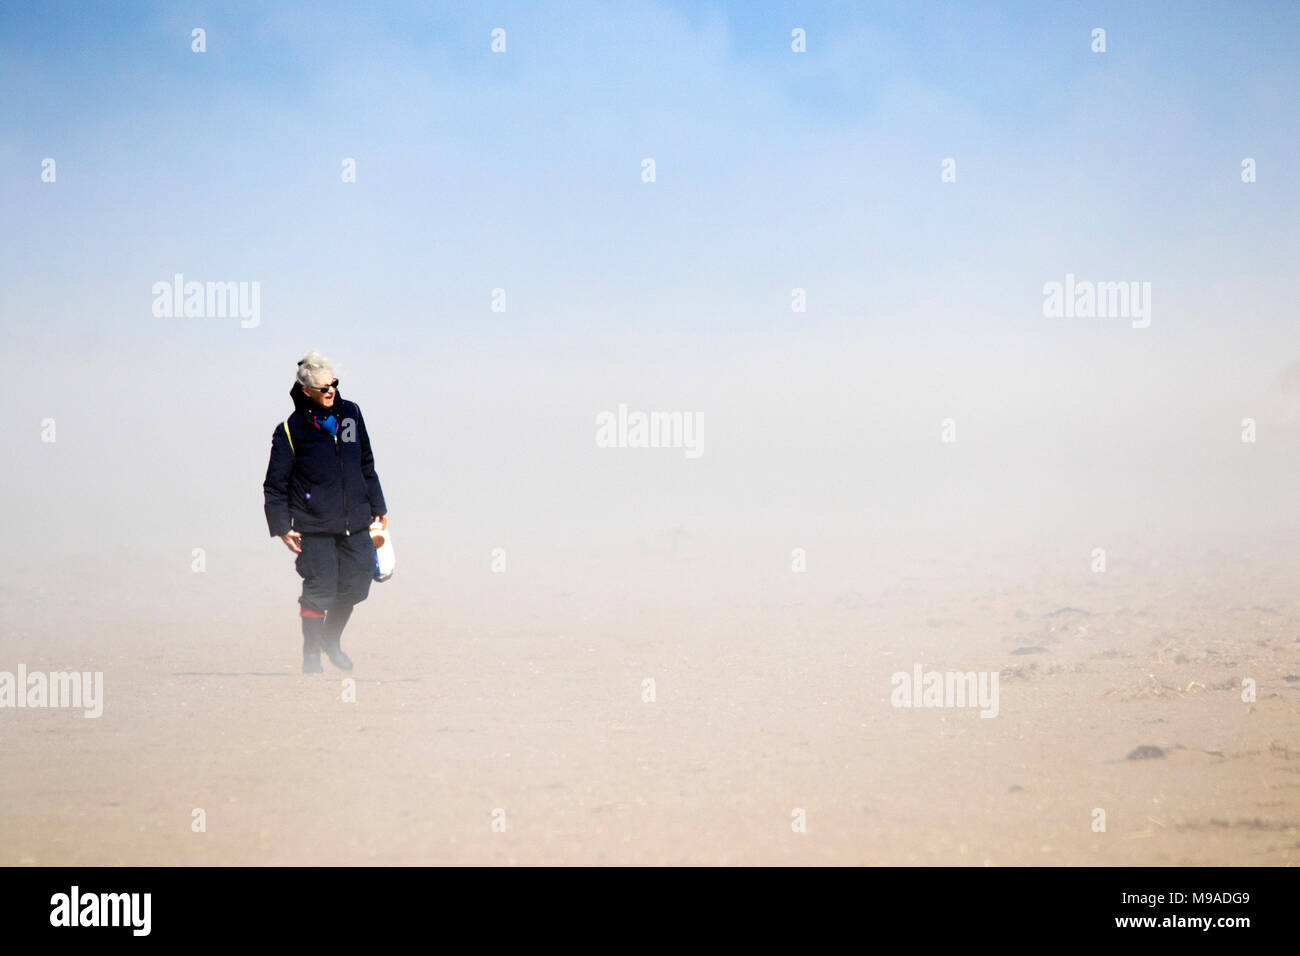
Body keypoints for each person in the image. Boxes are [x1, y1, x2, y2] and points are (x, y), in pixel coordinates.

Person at [262, 351, 388, 673]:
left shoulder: (351, 415)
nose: (331, 391)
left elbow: (366, 463)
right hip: (313, 525)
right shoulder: (290, 431)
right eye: (323, 388)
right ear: (306, 392)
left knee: (358, 583)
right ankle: (311, 656)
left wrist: (378, 507)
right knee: (320, 588)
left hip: (356, 520)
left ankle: (330, 639)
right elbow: (275, 485)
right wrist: (281, 526)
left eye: (333, 384)